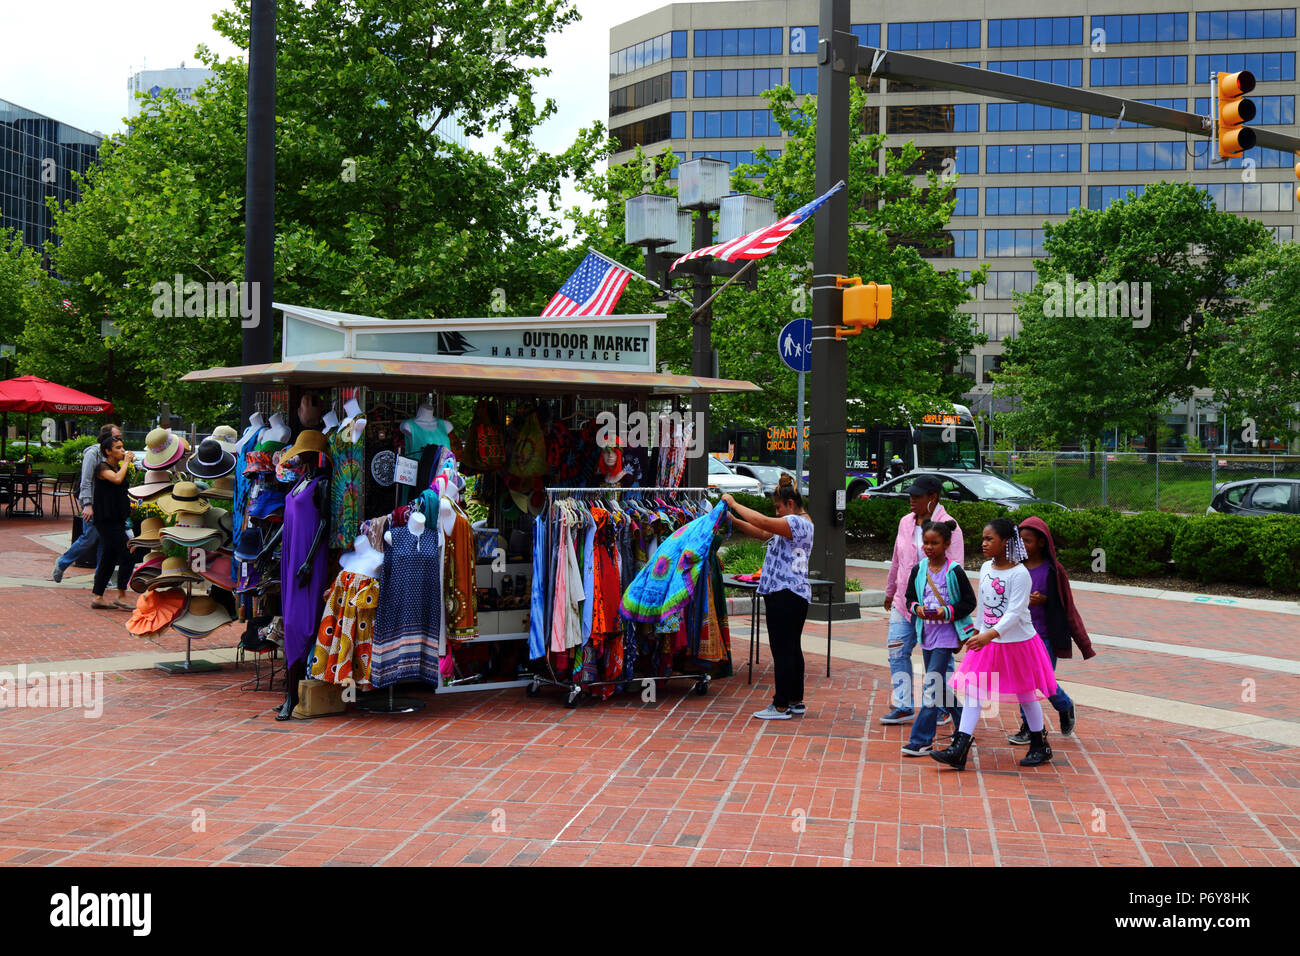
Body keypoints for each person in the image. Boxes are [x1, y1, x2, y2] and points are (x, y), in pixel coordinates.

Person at [931, 518, 1059, 771]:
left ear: (1006, 542)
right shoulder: (987, 567)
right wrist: (977, 631)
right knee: (974, 692)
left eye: (990, 539)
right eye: (983, 538)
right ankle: (960, 748)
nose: (984, 543)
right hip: (989, 641)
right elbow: (985, 604)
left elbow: (1014, 613)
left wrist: (989, 634)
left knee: (1026, 694)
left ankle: (1040, 745)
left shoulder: (1020, 573)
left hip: (1019, 643)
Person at [724, 474, 814, 720]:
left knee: (783, 650)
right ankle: (795, 701)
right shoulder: (796, 524)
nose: (776, 513)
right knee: (791, 648)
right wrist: (733, 520)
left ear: (791, 504)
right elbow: (762, 532)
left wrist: (734, 504)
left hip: (785, 594)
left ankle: (781, 704)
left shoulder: (797, 522)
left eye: (778, 508)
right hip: (791, 595)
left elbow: (762, 522)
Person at [881, 474, 963, 724]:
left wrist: (949, 608)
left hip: (935, 608)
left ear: (933, 498)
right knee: (896, 650)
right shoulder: (906, 522)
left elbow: (955, 567)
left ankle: (943, 707)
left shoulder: (949, 525)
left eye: (917, 497)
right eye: (910, 496)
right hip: (904, 601)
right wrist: (890, 591)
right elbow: (897, 558)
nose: (911, 501)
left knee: (939, 660)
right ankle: (903, 704)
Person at [1007, 516, 1096, 744]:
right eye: (1021, 540)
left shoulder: (1053, 571)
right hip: (1019, 634)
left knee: (1042, 679)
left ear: (1042, 543)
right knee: (1023, 680)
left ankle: (1064, 705)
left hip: (1045, 634)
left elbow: (1066, 606)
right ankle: (1028, 728)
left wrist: (1044, 600)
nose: (1023, 545)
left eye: (1028, 541)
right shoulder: (1015, 569)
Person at [900, 519, 977, 756]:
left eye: (935, 543)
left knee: (931, 685)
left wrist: (947, 611)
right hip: (926, 634)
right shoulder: (919, 569)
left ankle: (922, 740)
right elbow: (909, 598)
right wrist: (917, 609)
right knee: (939, 685)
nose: (929, 547)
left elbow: (969, 602)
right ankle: (964, 722)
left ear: (946, 544)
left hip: (946, 636)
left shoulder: (954, 571)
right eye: (925, 542)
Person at [52, 423, 120, 582]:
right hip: (93, 502)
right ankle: (62, 563)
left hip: (107, 504)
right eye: (116, 437)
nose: (119, 440)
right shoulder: (93, 453)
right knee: (89, 537)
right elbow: (86, 481)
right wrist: (87, 504)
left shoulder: (114, 454)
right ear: (106, 437)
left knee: (105, 540)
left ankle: (101, 576)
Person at [89, 435, 137, 611]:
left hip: (117, 518)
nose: (122, 451)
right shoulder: (102, 467)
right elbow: (116, 479)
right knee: (128, 553)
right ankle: (121, 595)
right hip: (106, 520)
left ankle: (98, 596)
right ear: (108, 451)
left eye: (122, 447)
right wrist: (126, 462)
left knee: (109, 558)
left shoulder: (119, 468)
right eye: (118, 448)